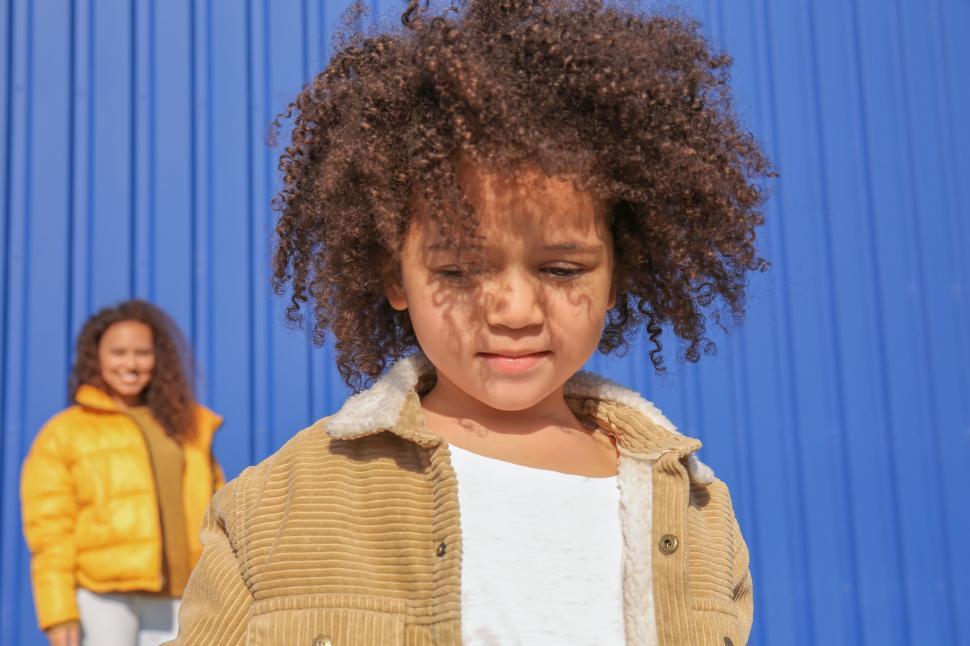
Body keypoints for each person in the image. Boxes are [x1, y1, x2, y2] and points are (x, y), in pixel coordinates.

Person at [172, 1, 771, 644]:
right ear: (393, 277)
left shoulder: (701, 517)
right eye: (458, 272)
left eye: (562, 270)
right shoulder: (275, 510)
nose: (514, 311)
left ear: (620, 271)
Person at [21, 300, 225, 646]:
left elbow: (219, 510)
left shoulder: (189, 426)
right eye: (118, 352)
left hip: (184, 595)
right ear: (95, 357)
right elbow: (49, 530)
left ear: (157, 358)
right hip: (103, 598)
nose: (130, 364)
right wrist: (58, 612)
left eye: (142, 353)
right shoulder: (64, 432)